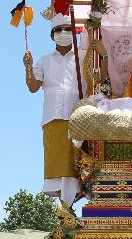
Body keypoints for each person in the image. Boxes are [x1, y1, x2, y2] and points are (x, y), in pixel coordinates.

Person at [26, 14, 91, 207]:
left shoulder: (83, 57)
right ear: (52, 35)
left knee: (75, 167)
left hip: (77, 118)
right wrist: (28, 67)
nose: (63, 33)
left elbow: (97, 78)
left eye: (67, 29)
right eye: (59, 30)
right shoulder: (44, 61)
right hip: (53, 118)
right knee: (57, 168)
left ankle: (69, 207)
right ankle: (65, 209)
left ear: (74, 33)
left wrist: (101, 53)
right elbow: (33, 87)